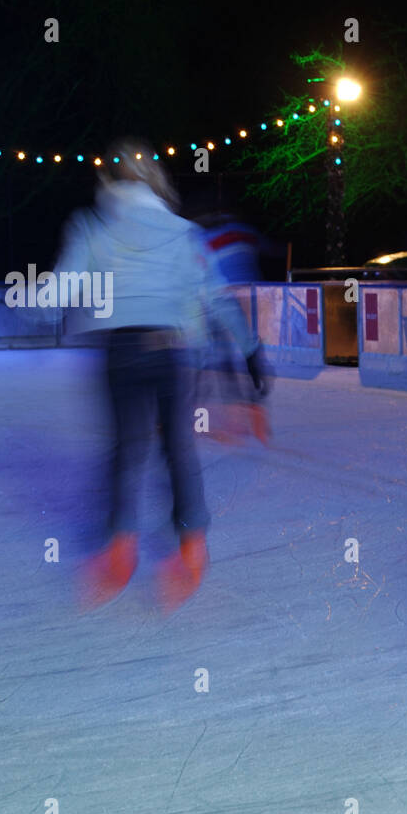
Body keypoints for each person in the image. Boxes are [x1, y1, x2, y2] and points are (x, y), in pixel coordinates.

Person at [52, 138, 268, 611]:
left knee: (124, 450)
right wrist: (252, 351)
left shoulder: (92, 226)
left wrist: (24, 300)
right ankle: (192, 545)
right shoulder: (182, 232)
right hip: (173, 349)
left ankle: (119, 547)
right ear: (155, 181)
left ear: (108, 183)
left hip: (121, 350)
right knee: (176, 448)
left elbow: (60, 289)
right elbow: (215, 297)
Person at [191, 208, 272, 444]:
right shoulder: (241, 234)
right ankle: (254, 401)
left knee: (214, 358)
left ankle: (237, 409)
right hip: (235, 298)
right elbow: (265, 246)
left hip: (216, 301)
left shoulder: (201, 239)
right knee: (245, 350)